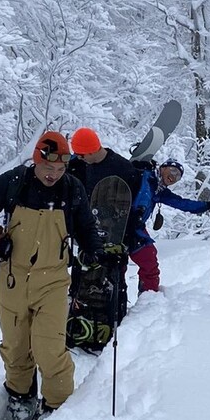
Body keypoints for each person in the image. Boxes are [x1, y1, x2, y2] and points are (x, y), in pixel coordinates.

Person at [0, 131, 103, 420]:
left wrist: (97, 251)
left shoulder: (72, 189)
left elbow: (85, 226)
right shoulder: (14, 182)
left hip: (54, 280)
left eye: (60, 169)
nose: (54, 175)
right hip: (13, 279)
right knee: (15, 347)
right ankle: (21, 398)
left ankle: (58, 407)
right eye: (48, 168)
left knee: (48, 347)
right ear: (36, 161)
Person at [66, 127, 147, 321]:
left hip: (115, 236)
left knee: (112, 279)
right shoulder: (78, 165)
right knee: (82, 275)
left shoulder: (122, 168)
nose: (79, 157)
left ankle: (112, 319)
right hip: (87, 232)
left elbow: (133, 204)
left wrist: (126, 230)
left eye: (82, 154)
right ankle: (78, 321)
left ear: (92, 150)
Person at [126, 160, 210, 293]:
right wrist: (134, 166)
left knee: (149, 261)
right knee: (124, 264)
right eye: (173, 171)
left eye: (178, 176)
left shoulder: (159, 191)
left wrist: (207, 205)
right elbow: (134, 185)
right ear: (162, 167)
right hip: (122, 225)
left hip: (135, 228)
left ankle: (146, 299)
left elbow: (182, 203)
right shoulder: (145, 175)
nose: (174, 176)